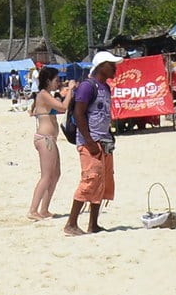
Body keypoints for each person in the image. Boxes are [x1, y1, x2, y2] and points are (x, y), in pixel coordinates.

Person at [64, 53, 120, 236]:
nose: (115, 67)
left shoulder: (105, 87)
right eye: (111, 64)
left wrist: (109, 135)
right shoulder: (88, 87)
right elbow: (79, 114)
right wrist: (89, 141)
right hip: (90, 142)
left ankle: (93, 224)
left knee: (102, 181)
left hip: (103, 140)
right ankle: (71, 223)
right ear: (102, 65)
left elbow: (102, 115)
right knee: (90, 179)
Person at [28, 66, 67, 220]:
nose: (59, 82)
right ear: (48, 80)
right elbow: (63, 107)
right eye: (56, 80)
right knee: (46, 176)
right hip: (45, 139)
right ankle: (33, 210)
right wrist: (69, 91)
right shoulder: (43, 95)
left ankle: (44, 209)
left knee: (56, 174)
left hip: (50, 139)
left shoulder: (47, 96)